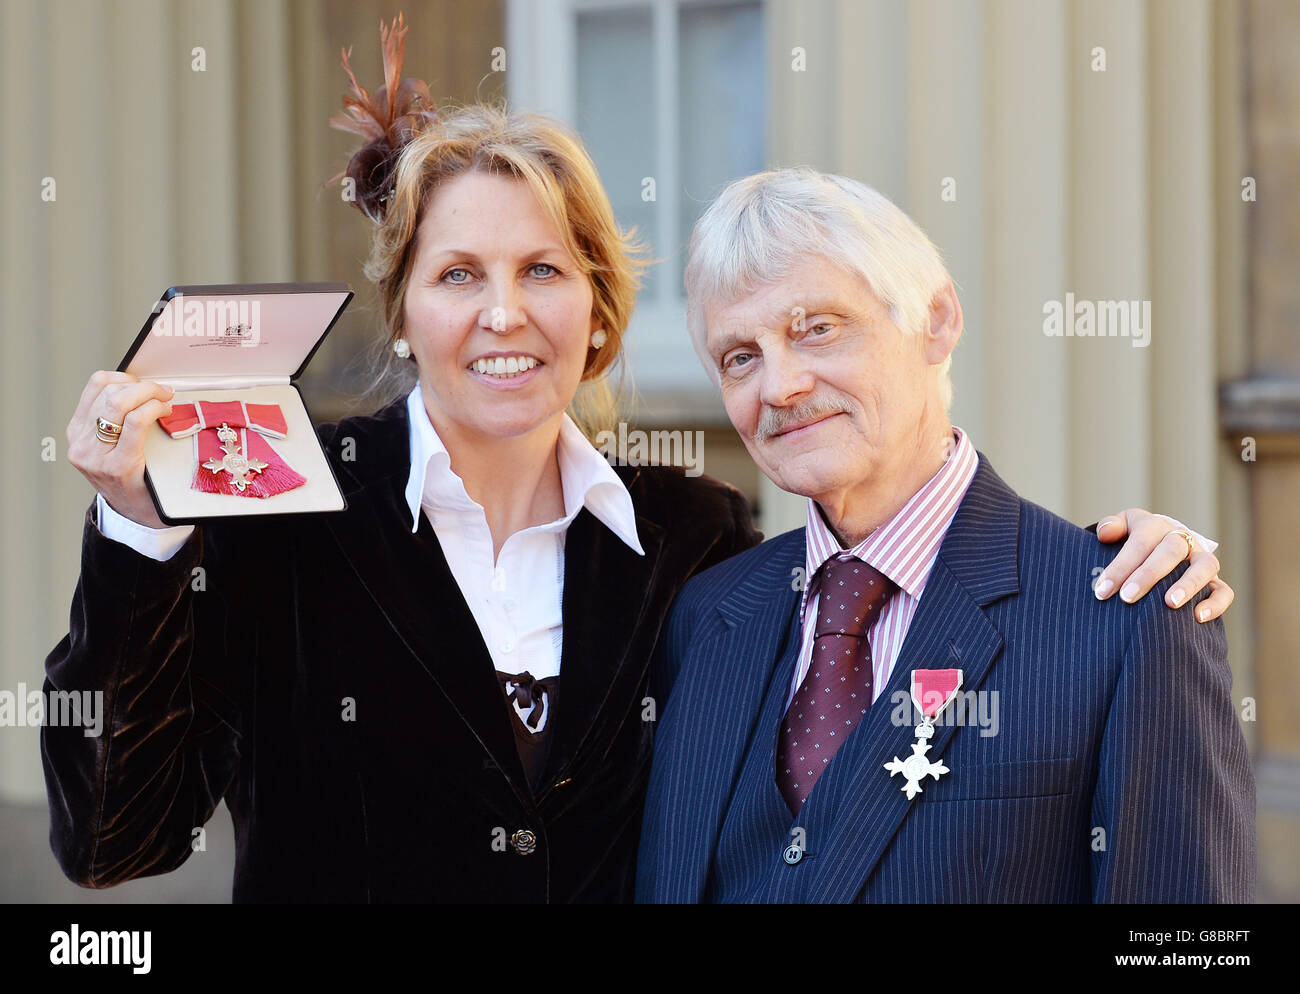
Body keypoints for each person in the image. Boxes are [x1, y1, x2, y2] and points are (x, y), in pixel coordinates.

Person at [43, 20, 1232, 904]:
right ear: (402, 311)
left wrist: (1116, 565)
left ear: (599, 316)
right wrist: (141, 532)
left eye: (544, 272)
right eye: (458, 274)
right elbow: (110, 838)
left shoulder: (697, 545)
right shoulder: (290, 518)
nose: (503, 314)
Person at [636, 168, 1254, 903]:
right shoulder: (704, 617)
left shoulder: (1128, 616)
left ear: (936, 320)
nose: (780, 386)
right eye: (741, 356)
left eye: (818, 329)